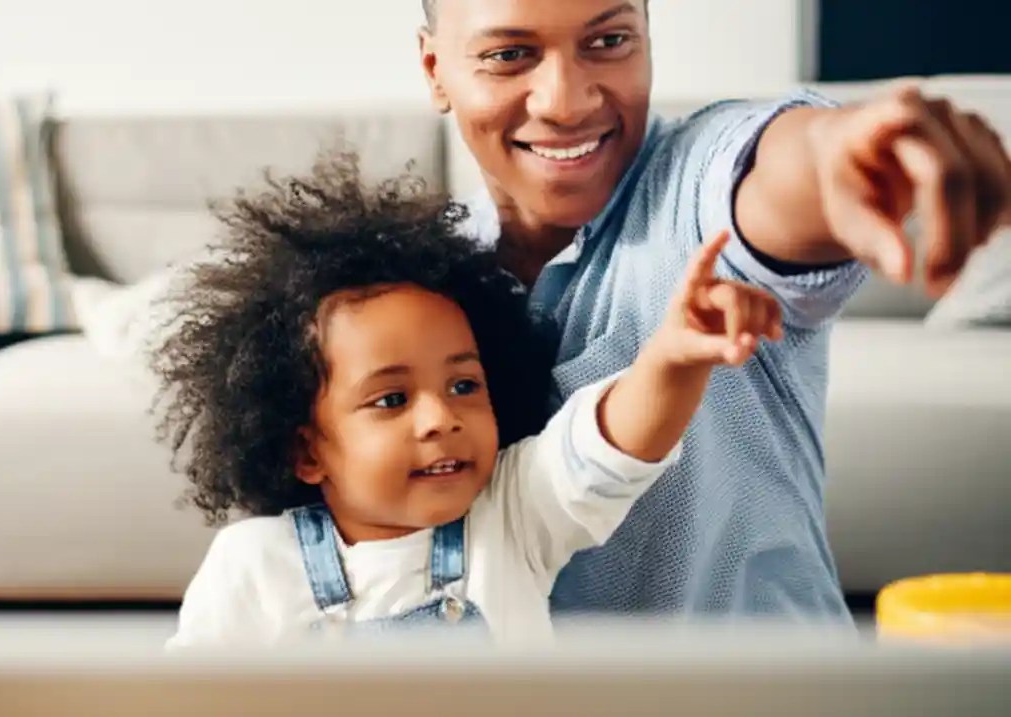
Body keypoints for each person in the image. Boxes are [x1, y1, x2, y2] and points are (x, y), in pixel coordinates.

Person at [416, 0, 1011, 619]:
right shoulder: (419, 271)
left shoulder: (695, 183)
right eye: (509, 55)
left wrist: (836, 150)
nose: (565, 102)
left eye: (608, 41)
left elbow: (775, 169)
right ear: (436, 70)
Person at [158, 151, 783, 648]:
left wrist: (673, 356)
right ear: (305, 450)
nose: (440, 419)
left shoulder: (511, 514)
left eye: (463, 386)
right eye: (391, 399)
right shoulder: (252, 565)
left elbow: (609, 447)